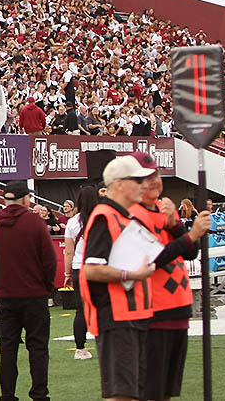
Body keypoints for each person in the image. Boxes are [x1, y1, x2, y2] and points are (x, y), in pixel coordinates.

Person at [127, 151, 211, 401]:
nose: (154, 181)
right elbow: (154, 259)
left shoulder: (163, 209)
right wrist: (190, 234)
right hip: (154, 312)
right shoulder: (133, 216)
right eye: (146, 178)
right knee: (152, 391)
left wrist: (175, 224)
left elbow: (190, 254)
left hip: (178, 310)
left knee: (167, 390)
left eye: (157, 175)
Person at [79, 155, 160, 401]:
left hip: (134, 314)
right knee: (123, 393)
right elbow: (91, 269)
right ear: (119, 183)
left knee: (136, 391)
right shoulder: (105, 215)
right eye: (137, 180)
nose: (143, 185)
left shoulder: (123, 215)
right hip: (117, 317)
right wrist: (132, 274)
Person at [0, 181, 57, 401]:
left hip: (5, 295)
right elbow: (49, 259)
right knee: (38, 347)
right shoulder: (34, 222)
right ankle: (39, 394)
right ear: (25, 199)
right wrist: (47, 287)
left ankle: (7, 394)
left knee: (8, 347)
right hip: (34, 294)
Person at [64, 185, 100, 360]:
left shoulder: (72, 222)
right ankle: (105, 344)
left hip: (79, 268)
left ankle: (80, 349)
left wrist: (67, 274)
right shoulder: (101, 218)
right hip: (100, 267)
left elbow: (69, 251)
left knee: (82, 309)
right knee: (103, 307)